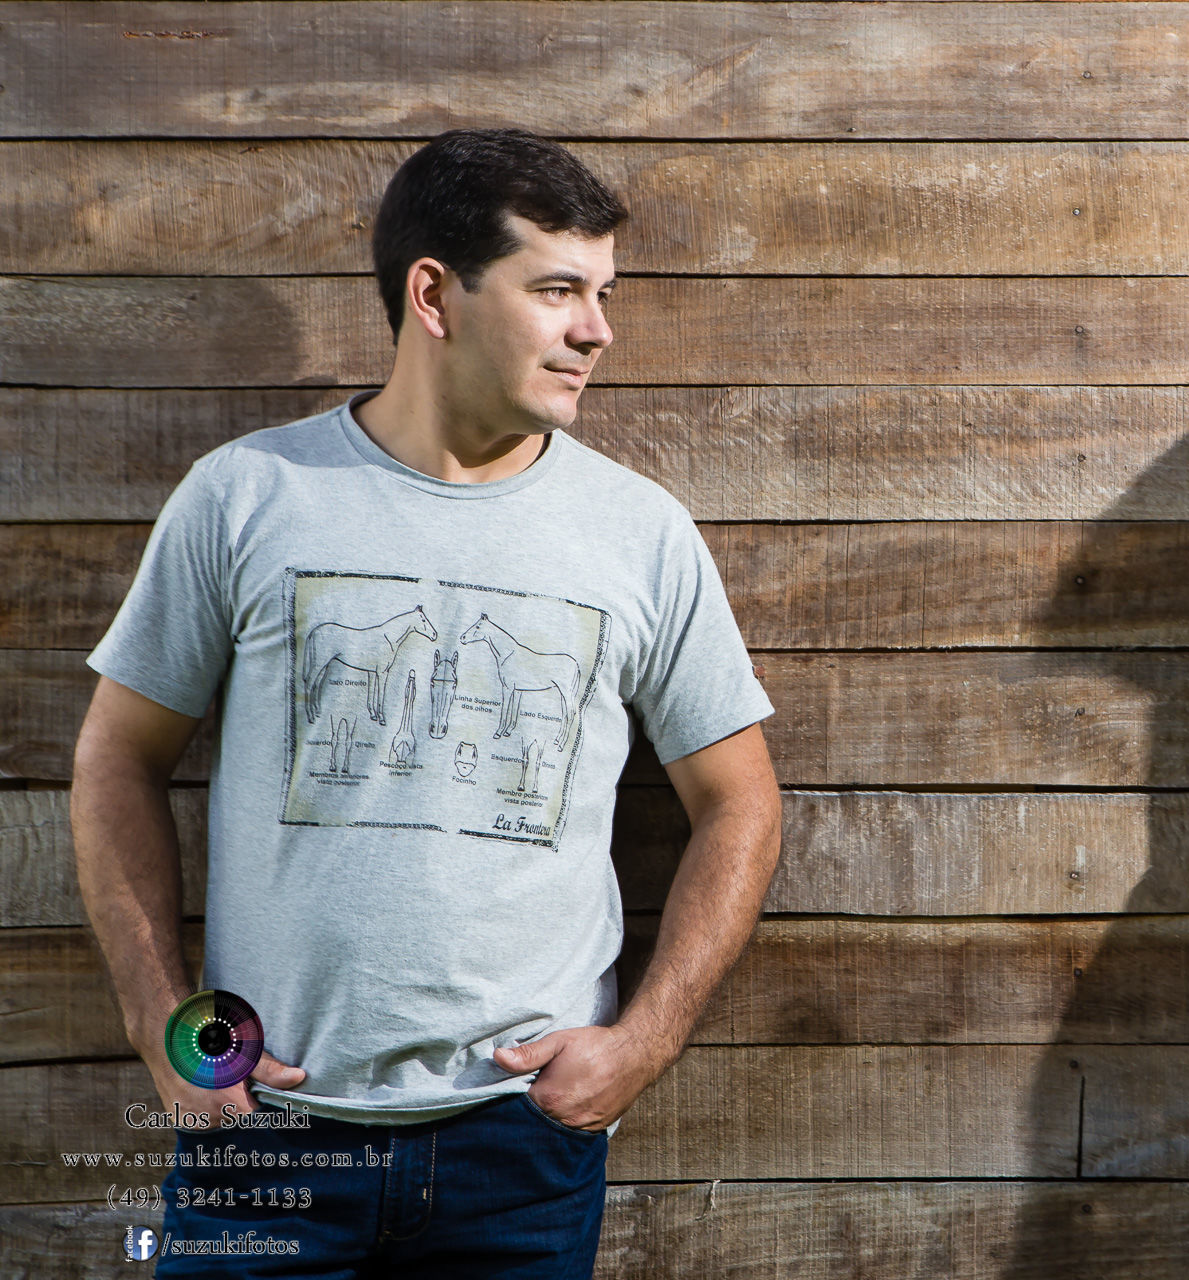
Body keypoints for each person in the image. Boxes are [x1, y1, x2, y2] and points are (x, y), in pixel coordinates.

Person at [70, 128, 781, 1276]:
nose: (597, 329)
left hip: (517, 1149)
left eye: (601, 293)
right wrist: (168, 1030)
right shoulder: (250, 496)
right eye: (557, 290)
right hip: (265, 1135)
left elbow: (740, 799)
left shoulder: (639, 533)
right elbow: (117, 757)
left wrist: (640, 1046)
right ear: (434, 296)